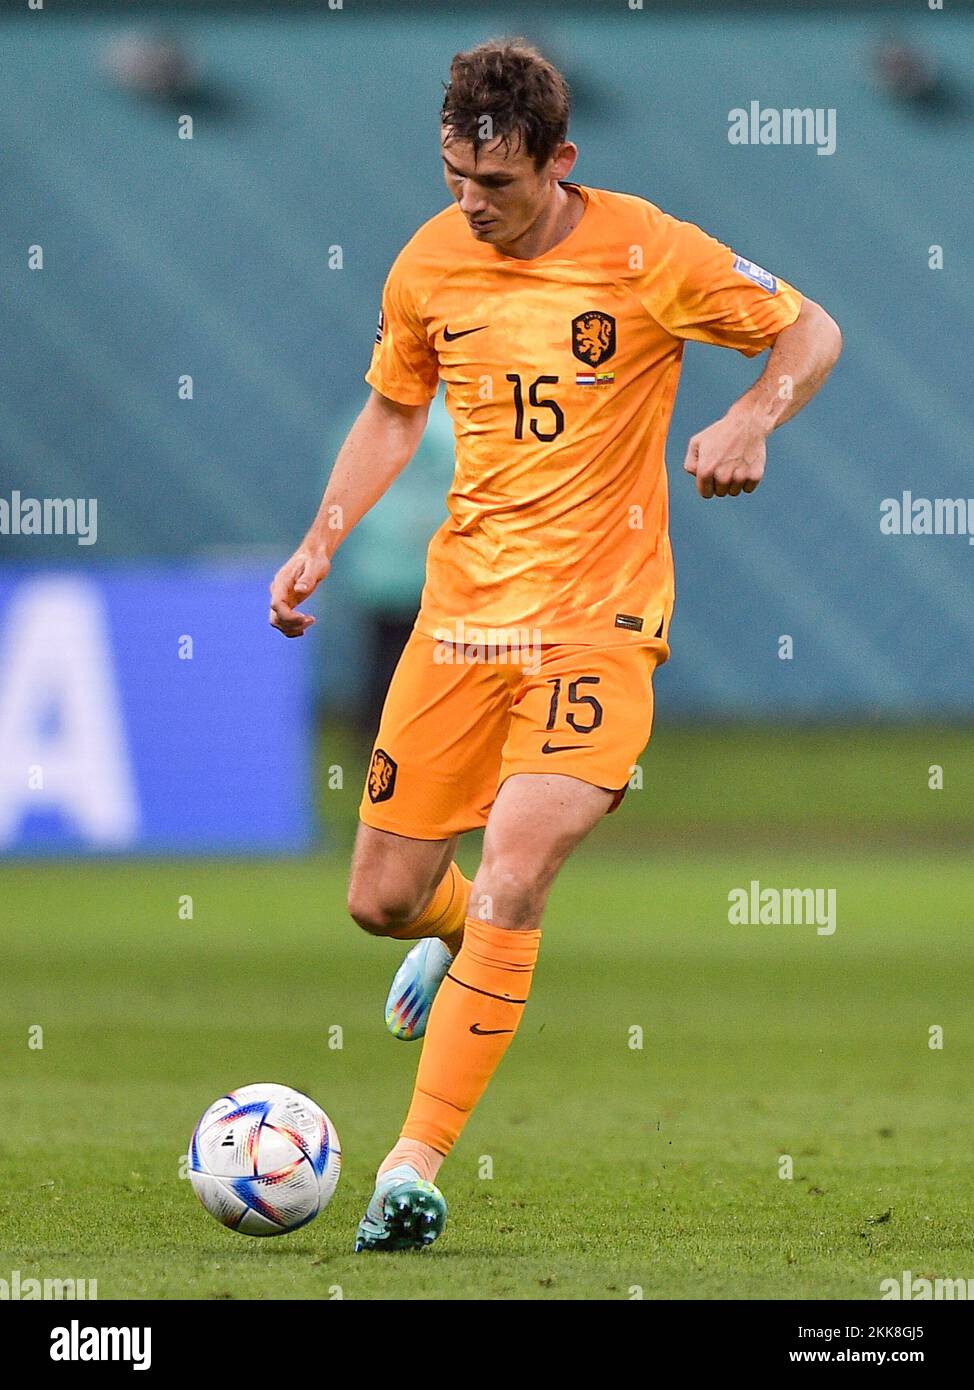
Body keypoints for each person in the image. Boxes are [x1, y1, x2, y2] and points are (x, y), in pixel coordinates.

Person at [269, 37, 842, 1252]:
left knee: (523, 869)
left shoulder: (648, 251)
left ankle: (408, 1169)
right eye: (453, 177)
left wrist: (750, 413)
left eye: (497, 185)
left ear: (559, 160)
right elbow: (390, 406)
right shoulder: (428, 262)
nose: (469, 204)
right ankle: (460, 934)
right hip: (460, 618)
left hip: (597, 620)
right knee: (379, 900)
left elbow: (808, 333)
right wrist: (322, 538)